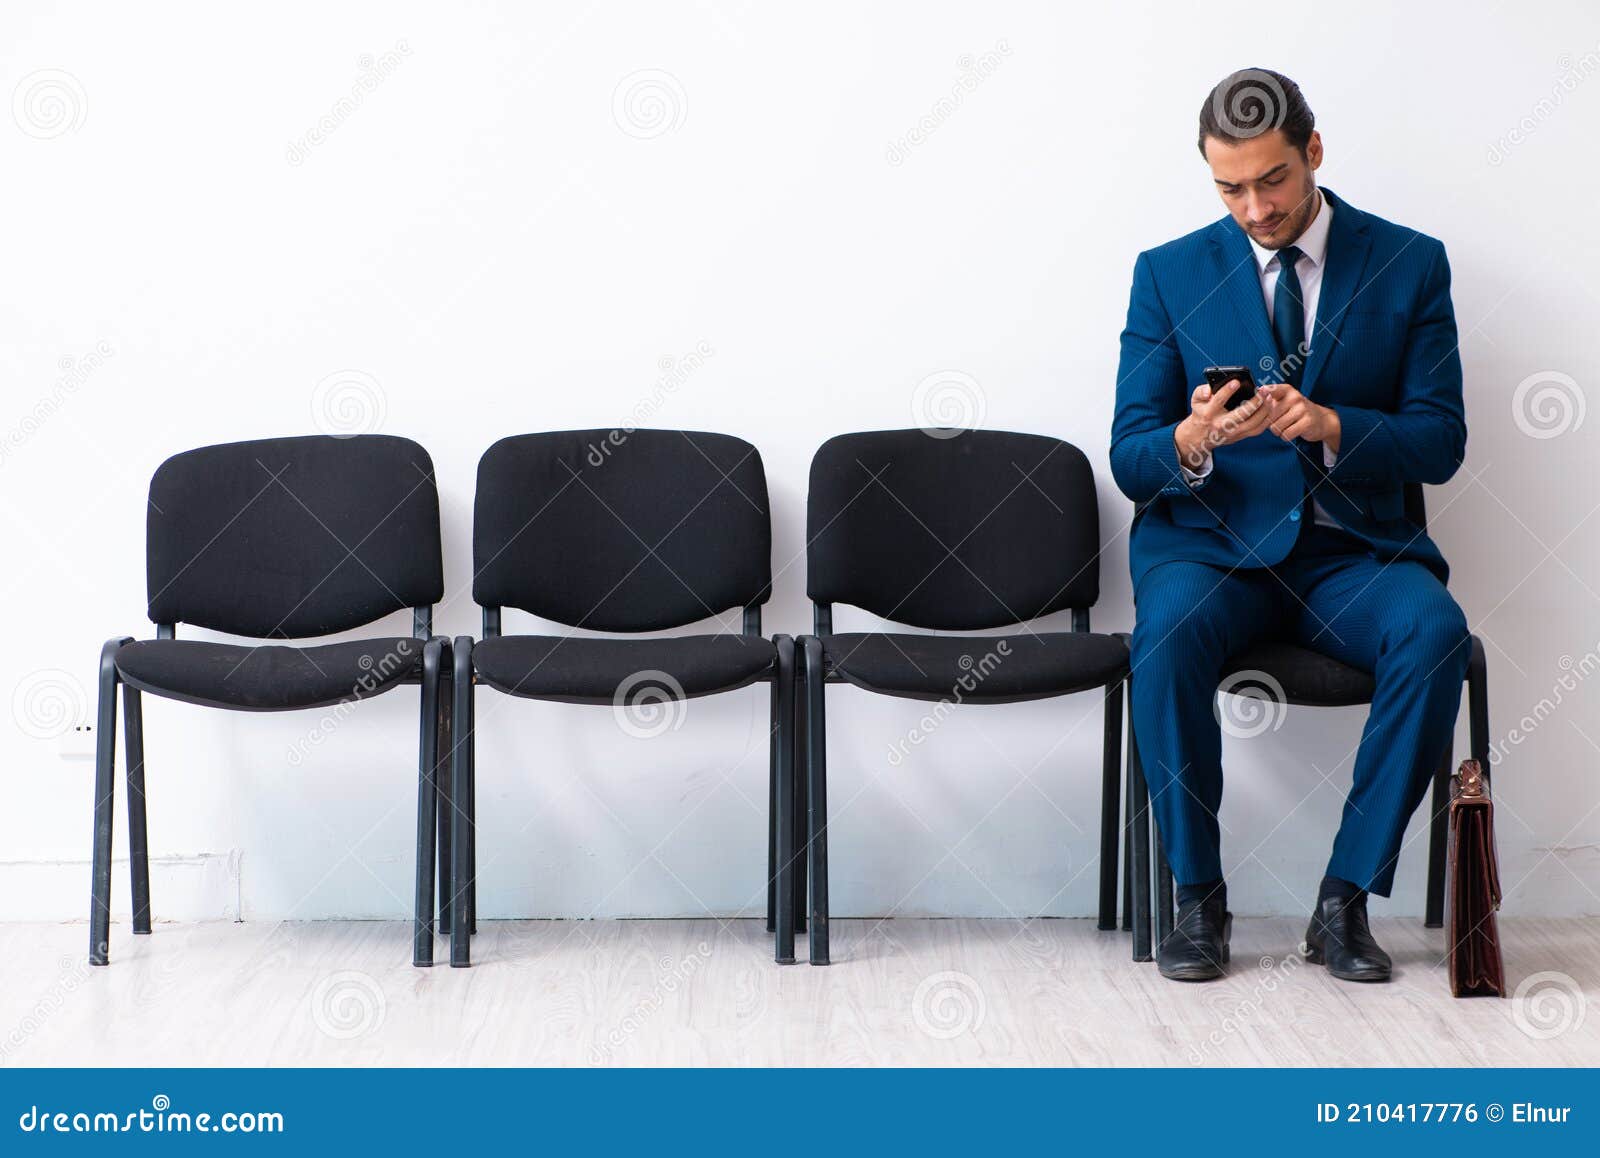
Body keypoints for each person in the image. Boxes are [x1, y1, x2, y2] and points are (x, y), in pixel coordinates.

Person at [1109, 68, 1470, 983]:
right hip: (1213, 550)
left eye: (1270, 180)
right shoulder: (1168, 272)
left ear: (1313, 152)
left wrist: (1333, 424)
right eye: (1228, 187)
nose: (1254, 207)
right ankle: (1197, 900)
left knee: (1434, 632)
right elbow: (1129, 451)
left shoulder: (1409, 262)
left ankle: (1344, 904)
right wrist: (1192, 439)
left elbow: (1441, 438)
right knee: (1166, 634)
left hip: (1350, 555)